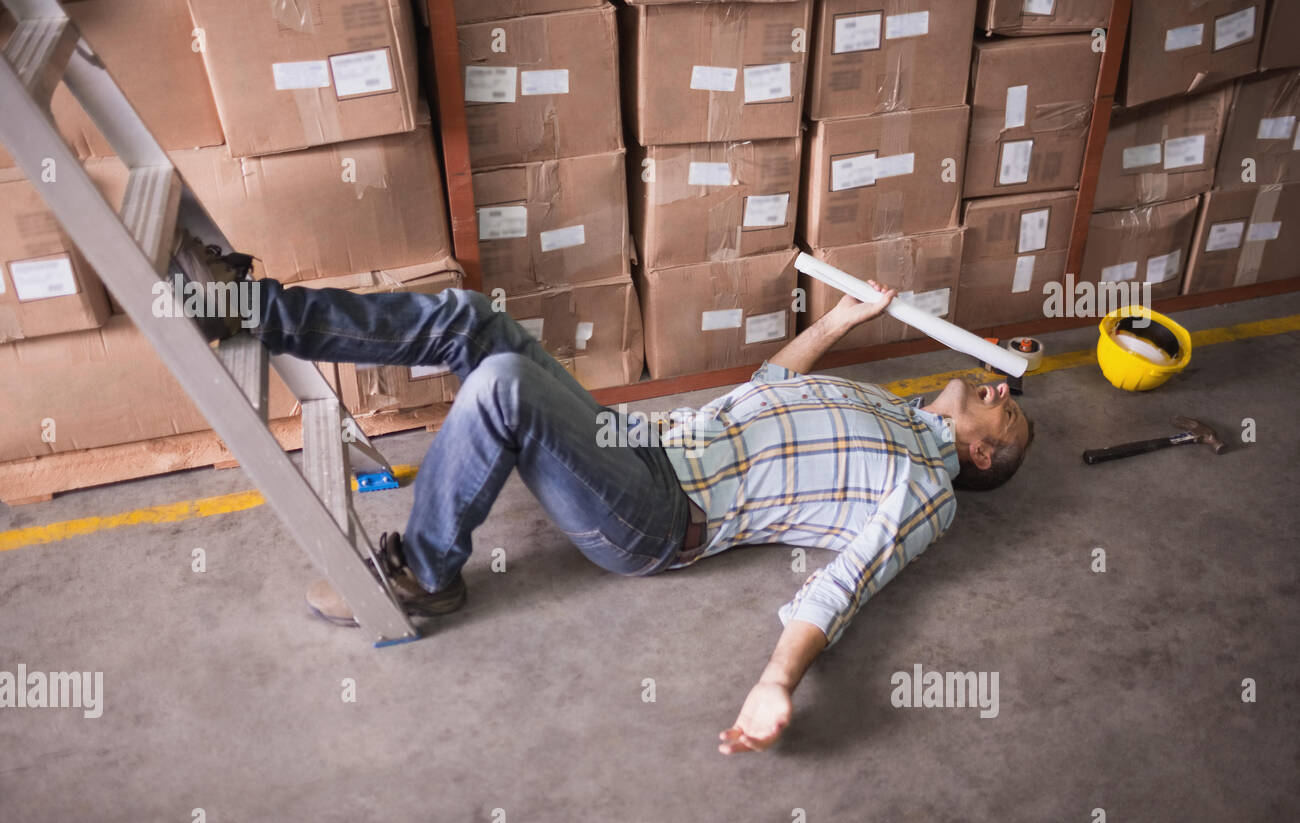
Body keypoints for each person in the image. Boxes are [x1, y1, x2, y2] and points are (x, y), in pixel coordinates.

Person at [235, 272, 1034, 755]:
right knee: (477, 318)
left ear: (984, 457)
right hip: (647, 447)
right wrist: (839, 321)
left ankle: (425, 573)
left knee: (504, 383)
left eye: (1007, 412)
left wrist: (774, 680)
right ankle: (263, 313)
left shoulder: (926, 485)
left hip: (659, 514)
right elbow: (768, 386)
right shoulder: (890, 407)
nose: (999, 388)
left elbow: (850, 583)